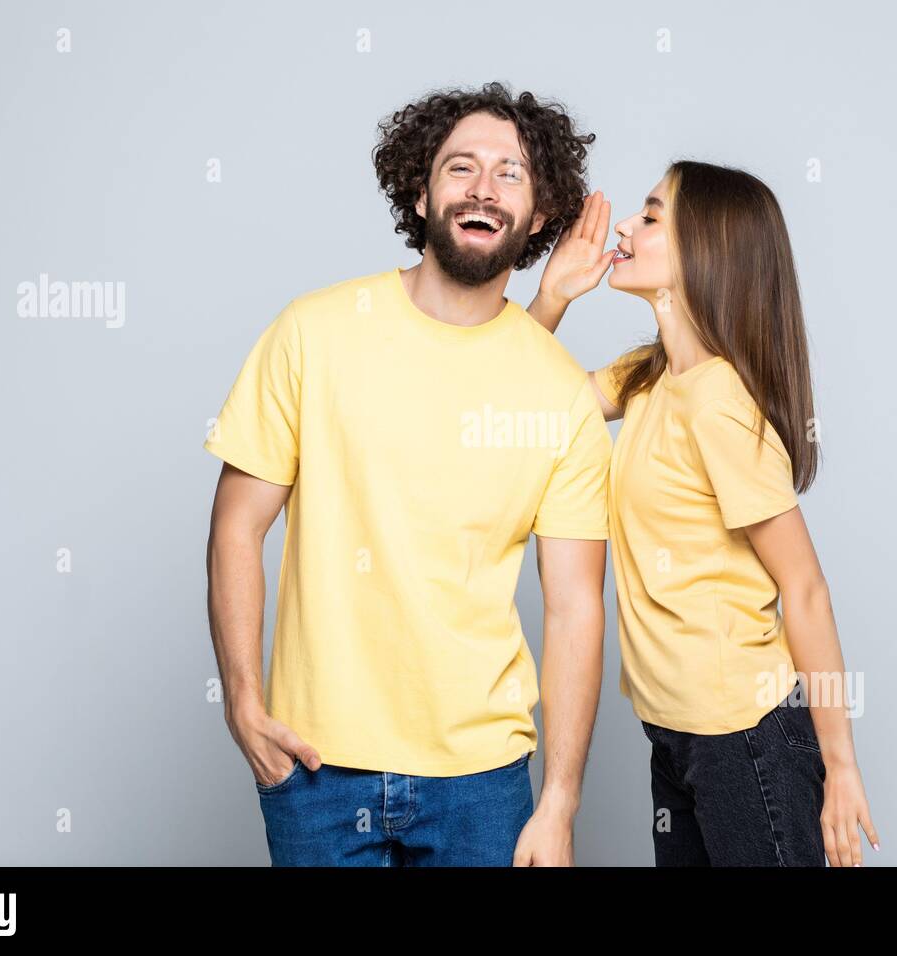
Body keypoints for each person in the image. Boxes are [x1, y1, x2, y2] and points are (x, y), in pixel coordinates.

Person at [203, 83, 611, 866]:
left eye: (510, 174)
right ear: (420, 191)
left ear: (540, 213)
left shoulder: (560, 393)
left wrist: (560, 802)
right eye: (461, 168)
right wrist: (243, 704)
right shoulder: (312, 333)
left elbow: (573, 612)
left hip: (483, 782)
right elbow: (235, 526)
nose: (484, 188)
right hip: (314, 766)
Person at [527, 164, 880, 867]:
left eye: (651, 217)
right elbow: (524, 398)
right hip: (674, 734)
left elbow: (805, 590)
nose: (624, 226)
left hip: (745, 737)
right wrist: (553, 295)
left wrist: (840, 768)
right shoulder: (650, 377)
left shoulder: (720, 402)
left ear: (707, 253)